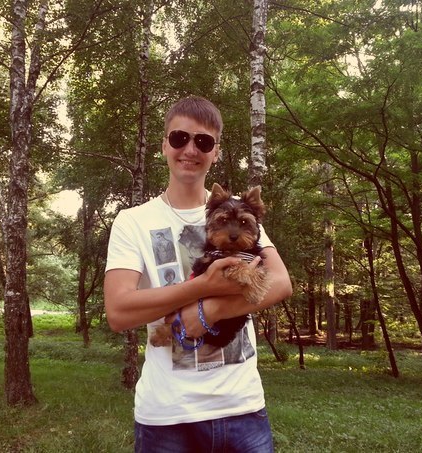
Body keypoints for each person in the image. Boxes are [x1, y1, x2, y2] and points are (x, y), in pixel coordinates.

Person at [104, 95, 292, 452]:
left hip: (242, 407)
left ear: (216, 152)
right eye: (180, 138)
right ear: (164, 145)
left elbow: (282, 283)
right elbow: (117, 312)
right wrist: (203, 286)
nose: (190, 149)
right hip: (166, 416)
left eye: (203, 141)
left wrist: (211, 310)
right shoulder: (132, 221)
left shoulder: (239, 215)